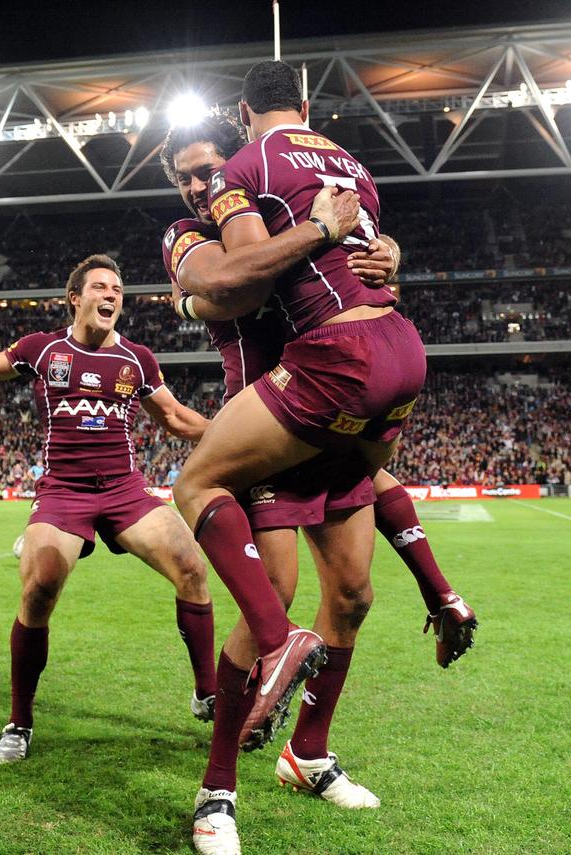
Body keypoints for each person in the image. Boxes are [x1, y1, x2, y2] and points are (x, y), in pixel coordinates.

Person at [162, 112, 474, 831]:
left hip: (329, 397)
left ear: (234, 159)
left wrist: (384, 250)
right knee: (271, 595)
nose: (196, 185)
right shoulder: (188, 234)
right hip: (267, 416)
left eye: (207, 168)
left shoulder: (273, 201)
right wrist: (320, 232)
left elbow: (349, 267)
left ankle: (310, 751)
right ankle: (217, 790)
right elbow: (230, 287)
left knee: (354, 595)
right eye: (182, 176)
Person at [0, 254, 218, 764]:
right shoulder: (43, 349)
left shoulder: (137, 359)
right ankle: (19, 722)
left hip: (124, 488)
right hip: (63, 491)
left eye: (117, 287)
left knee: (191, 567)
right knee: (41, 585)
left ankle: (208, 693)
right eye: (100, 286)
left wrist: (240, 430)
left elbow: (177, 418)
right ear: (76, 297)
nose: (111, 294)